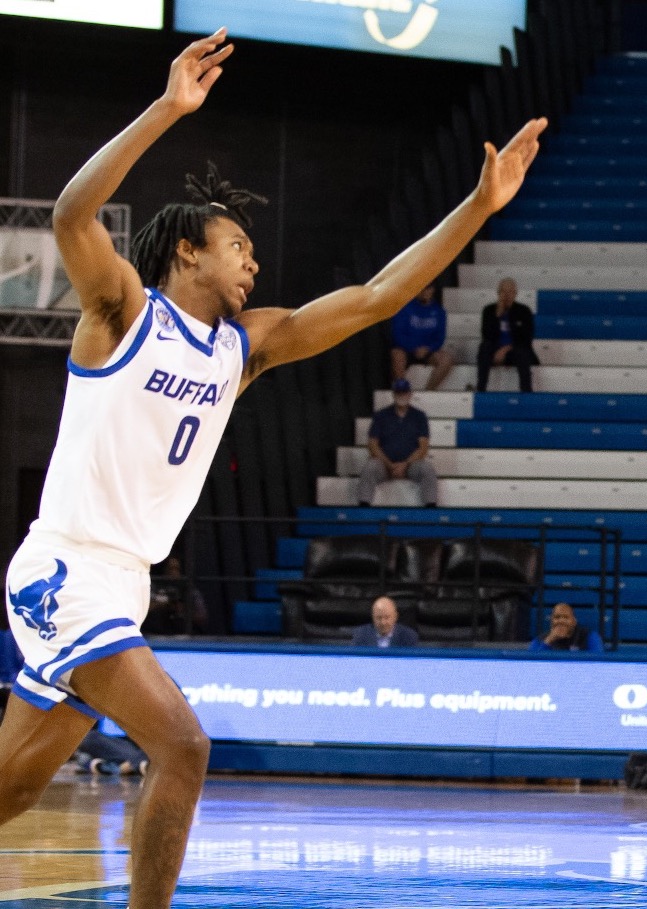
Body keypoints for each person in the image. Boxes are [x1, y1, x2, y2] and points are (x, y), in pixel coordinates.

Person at [0, 31, 545, 909]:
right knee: (183, 744)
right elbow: (70, 215)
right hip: (69, 565)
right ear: (186, 253)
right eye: (237, 245)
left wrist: (479, 207)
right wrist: (169, 109)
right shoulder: (121, 313)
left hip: (121, 580)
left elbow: (377, 298)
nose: (253, 260)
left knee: (14, 790)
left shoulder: (244, 349)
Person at [357, 379, 439, 507]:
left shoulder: (419, 416)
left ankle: (430, 508)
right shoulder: (380, 415)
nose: (402, 396)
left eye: (404, 392)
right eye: (399, 393)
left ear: (410, 394)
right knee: (370, 466)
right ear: (393, 394)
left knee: (427, 469)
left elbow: (423, 448)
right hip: (385, 464)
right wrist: (390, 465)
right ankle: (363, 506)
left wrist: (405, 465)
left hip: (411, 465)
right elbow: (373, 445)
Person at [477, 276, 538, 393]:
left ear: (515, 293)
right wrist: (497, 316)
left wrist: (505, 350)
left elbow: (526, 339)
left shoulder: (524, 311)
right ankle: (481, 389)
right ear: (498, 293)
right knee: (484, 347)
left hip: (514, 350)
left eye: (510, 291)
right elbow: (486, 335)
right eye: (503, 291)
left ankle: (526, 392)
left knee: (522, 352)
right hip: (494, 350)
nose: (506, 295)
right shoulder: (489, 310)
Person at [390, 283, 454, 391]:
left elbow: (440, 338)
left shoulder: (439, 312)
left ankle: (429, 391)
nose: (425, 292)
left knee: (446, 359)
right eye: (422, 289)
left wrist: (428, 349)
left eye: (428, 289)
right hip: (407, 350)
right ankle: (402, 391)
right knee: (397, 354)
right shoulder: (404, 308)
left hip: (427, 351)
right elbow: (397, 334)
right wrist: (413, 348)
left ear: (432, 290)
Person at [143, 556, 207, 635]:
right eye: (170, 569)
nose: (173, 572)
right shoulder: (154, 587)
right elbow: (143, 610)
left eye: (176, 569)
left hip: (184, 634)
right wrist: (162, 603)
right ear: (165, 570)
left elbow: (202, 617)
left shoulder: (189, 590)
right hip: (156, 633)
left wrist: (182, 610)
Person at [528, 602, 602, 653]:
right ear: (551, 621)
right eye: (557, 617)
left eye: (566, 617)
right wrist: (548, 641)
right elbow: (533, 667)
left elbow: (598, 663)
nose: (561, 621)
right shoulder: (540, 640)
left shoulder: (589, 637)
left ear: (574, 621)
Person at [350, 596, 419, 648]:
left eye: (387, 617)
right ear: (373, 617)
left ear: (395, 616)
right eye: (379, 618)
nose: (383, 622)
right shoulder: (361, 635)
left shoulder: (409, 636)